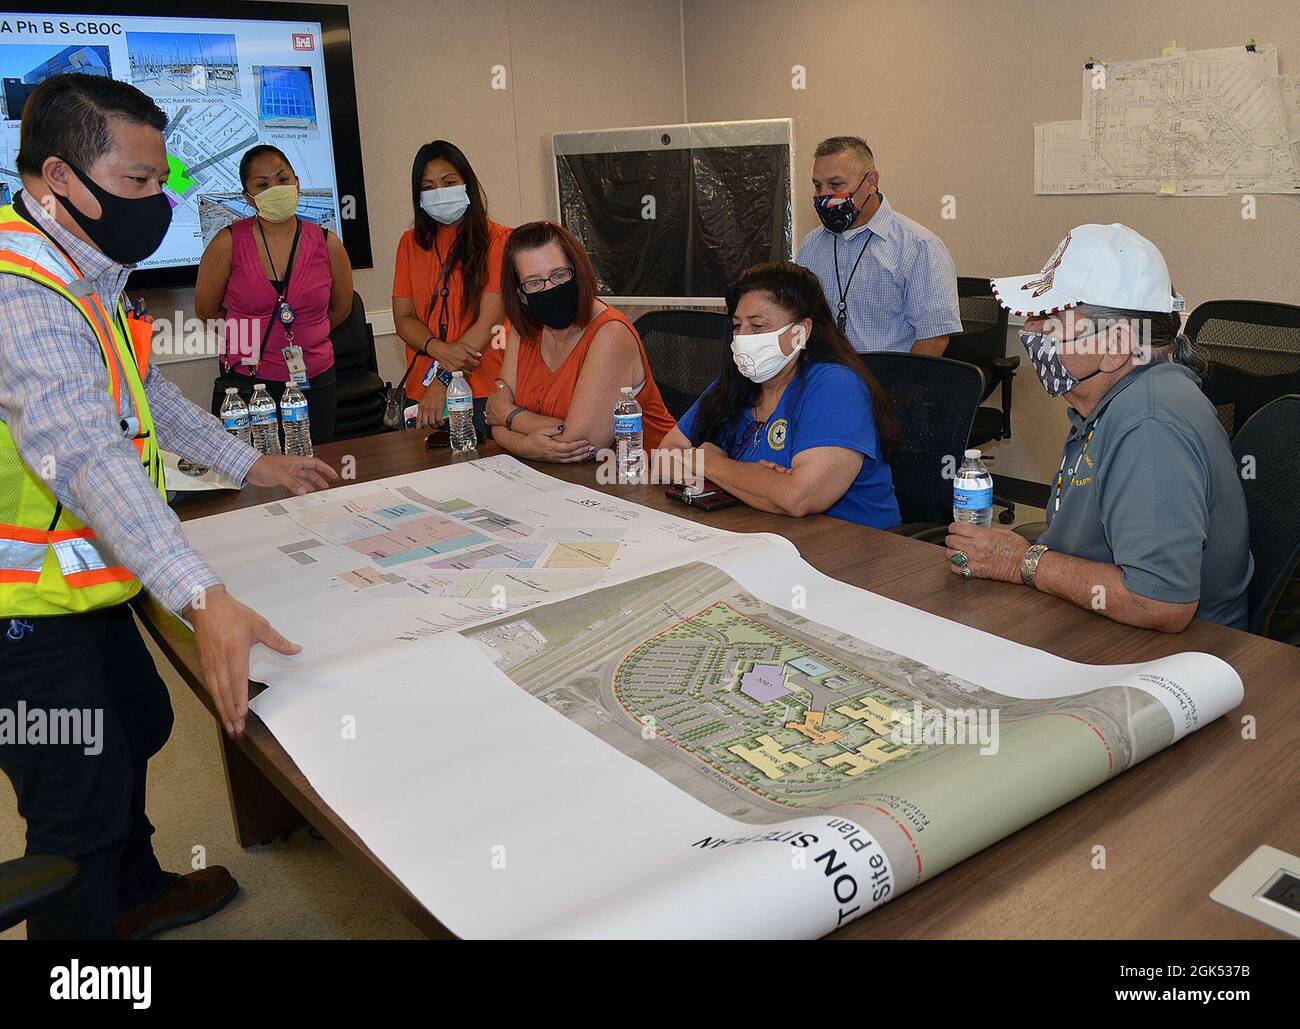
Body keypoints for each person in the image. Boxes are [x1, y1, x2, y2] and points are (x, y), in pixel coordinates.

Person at [0, 74, 337, 939]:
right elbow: (84, 447)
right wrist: (202, 592)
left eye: (164, 180)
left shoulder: (84, 266)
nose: (159, 203)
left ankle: (137, 894)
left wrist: (252, 465)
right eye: (138, 184)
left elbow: (143, 393)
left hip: (83, 584)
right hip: (20, 618)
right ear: (58, 179)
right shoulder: (22, 291)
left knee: (136, 727)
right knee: (76, 803)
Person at [946, 223, 1252, 631]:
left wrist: (1021, 561)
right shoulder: (1114, 399)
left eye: (1050, 317)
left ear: (1116, 344)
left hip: (1175, 654)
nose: (1031, 330)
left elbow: (1158, 602)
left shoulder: (1150, 425)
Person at [656, 262, 900, 528]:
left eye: (758, 326)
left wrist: (708, 462)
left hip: (854, 550)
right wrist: (758, 481)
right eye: (737, 325)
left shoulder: (836, 385)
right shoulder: (738, 380)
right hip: (759, 532)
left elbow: (798, 497)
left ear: (800, 332)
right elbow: (664, 456)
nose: (742, 337)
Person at [195, 144, 353, 445]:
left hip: (314, 381)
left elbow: (341, 308)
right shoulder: (227, 242)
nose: (276, 189)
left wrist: (308, 335)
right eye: (262, 185)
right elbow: (207, 310)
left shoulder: (328, 243)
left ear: (297, 183)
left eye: (283, 179)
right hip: (249, 383)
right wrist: (251, 348)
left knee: (314, 471)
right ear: (248, 197)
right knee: (257, 477)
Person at [488, 221, 676, 461]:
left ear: (577, 272)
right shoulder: (524, 329)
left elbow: (578, 446)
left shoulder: (610, 334)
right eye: (534, 282)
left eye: (558, 275)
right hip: (564, 482)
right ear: (521, 295)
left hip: (647, 481)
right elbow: (494, 408)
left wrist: (509, 421)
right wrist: (509, 424)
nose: (550, 289)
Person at [796, 136, 961, 356]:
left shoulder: (919, 246)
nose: (824, 194)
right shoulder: (811, 246)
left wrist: (900, 391)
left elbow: (933, 339)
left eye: (835, 184)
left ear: (871, 182)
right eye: (818, 186)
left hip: (888, 384)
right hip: (826, 381)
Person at [392, 140, 511, 437]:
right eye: (428, 187)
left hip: (483, 389)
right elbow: (403, 318)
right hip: (421, 392)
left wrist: (443, 380)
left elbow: (488, 323)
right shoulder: (410, 243)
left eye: (448, 183)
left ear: (467, 184)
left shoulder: (500, 240)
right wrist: (438, 350)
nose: (439, 193)